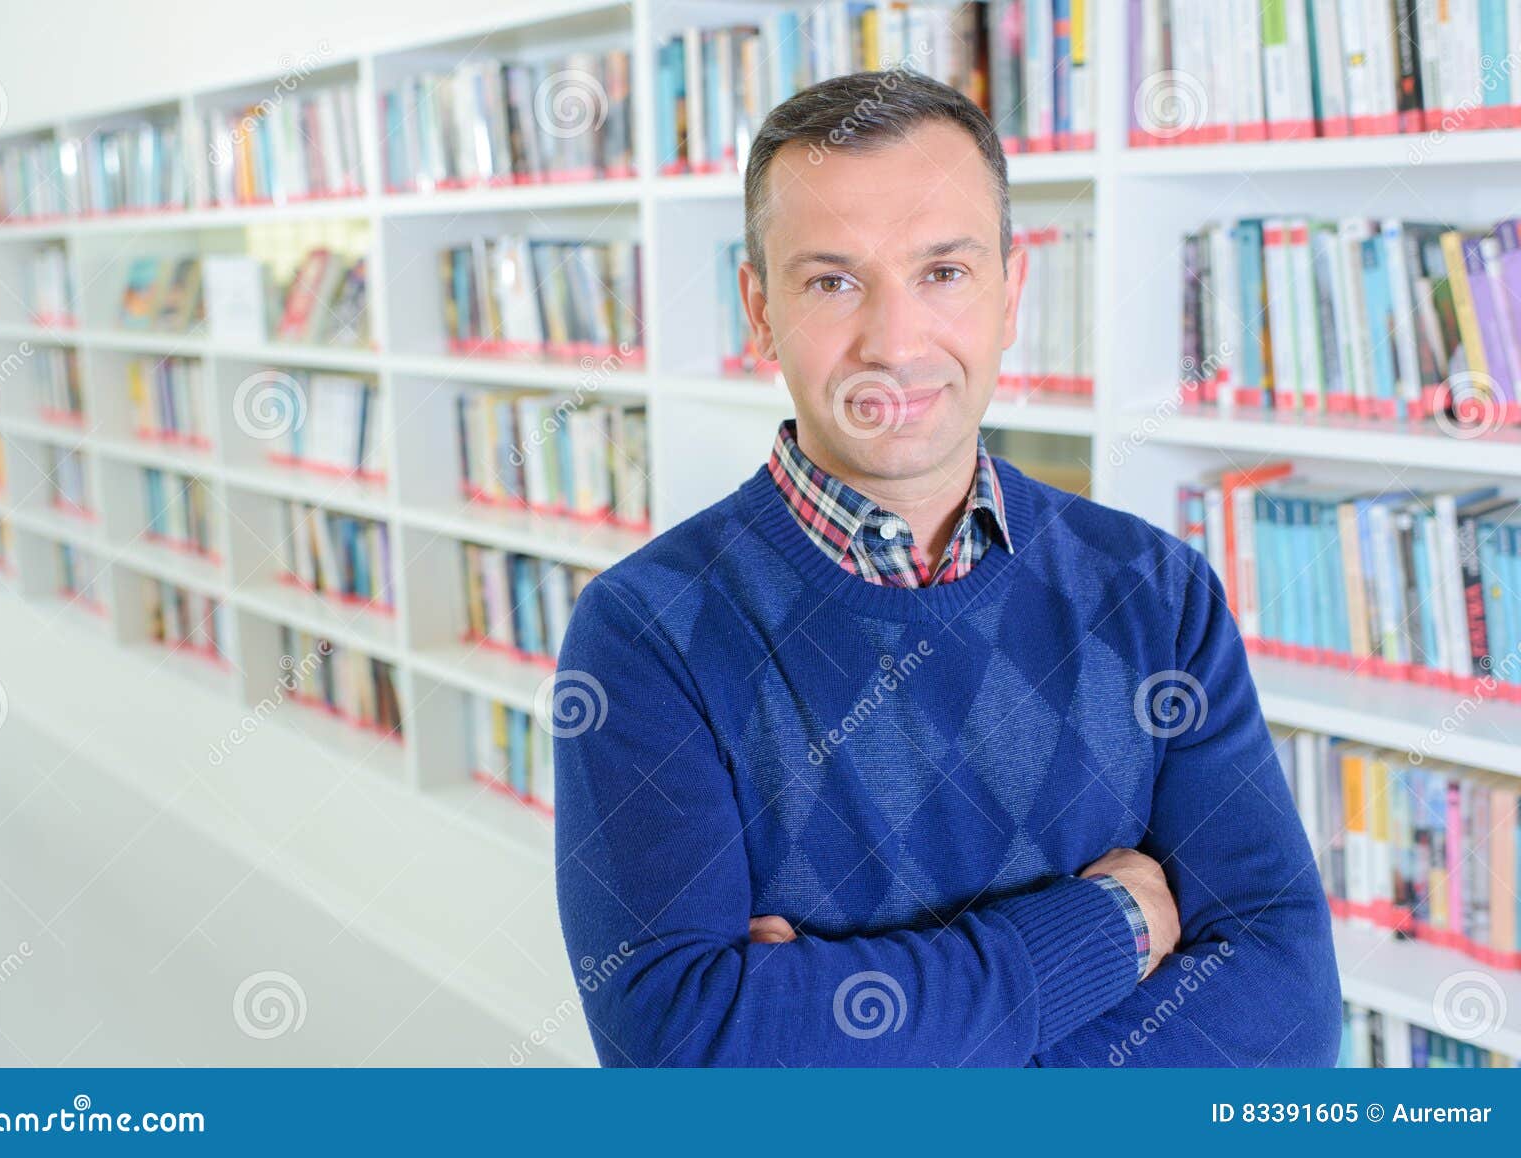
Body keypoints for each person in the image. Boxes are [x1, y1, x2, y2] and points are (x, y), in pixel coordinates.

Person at [550, 68, 1340, 1067]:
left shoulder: (1156, 592)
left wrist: (856, 1051)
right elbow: (685, 1054)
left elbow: (1288, 1013)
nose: (895, 342)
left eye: (943, 273)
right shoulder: (645, 635)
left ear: (1011, 293)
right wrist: (1110, 930)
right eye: (832, 281)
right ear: (759, 309)